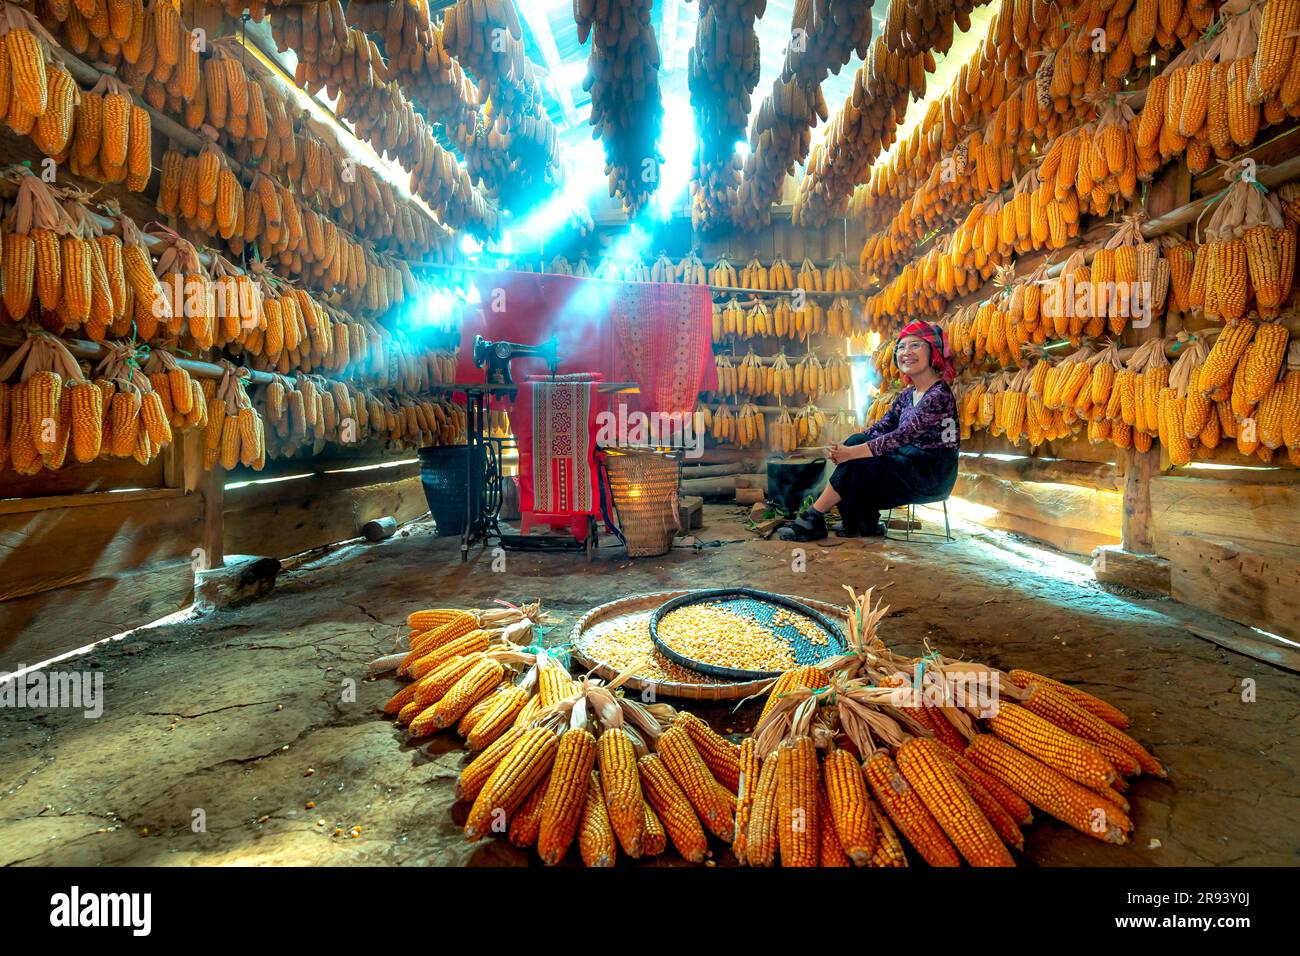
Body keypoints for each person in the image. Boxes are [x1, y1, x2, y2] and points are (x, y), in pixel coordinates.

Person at [781, 320, 960, 541]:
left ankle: (815, 516)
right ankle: (863, 521)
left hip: (930, 475)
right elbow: (883, 427)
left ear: (933, 351)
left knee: (860, 459)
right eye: (901, 347)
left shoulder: (939, 394)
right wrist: (846, 447)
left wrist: (851, 453)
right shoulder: (907, 395)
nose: (906, 352)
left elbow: (901, 437)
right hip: (907, 465)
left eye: (915, 345)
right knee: (857, 442)